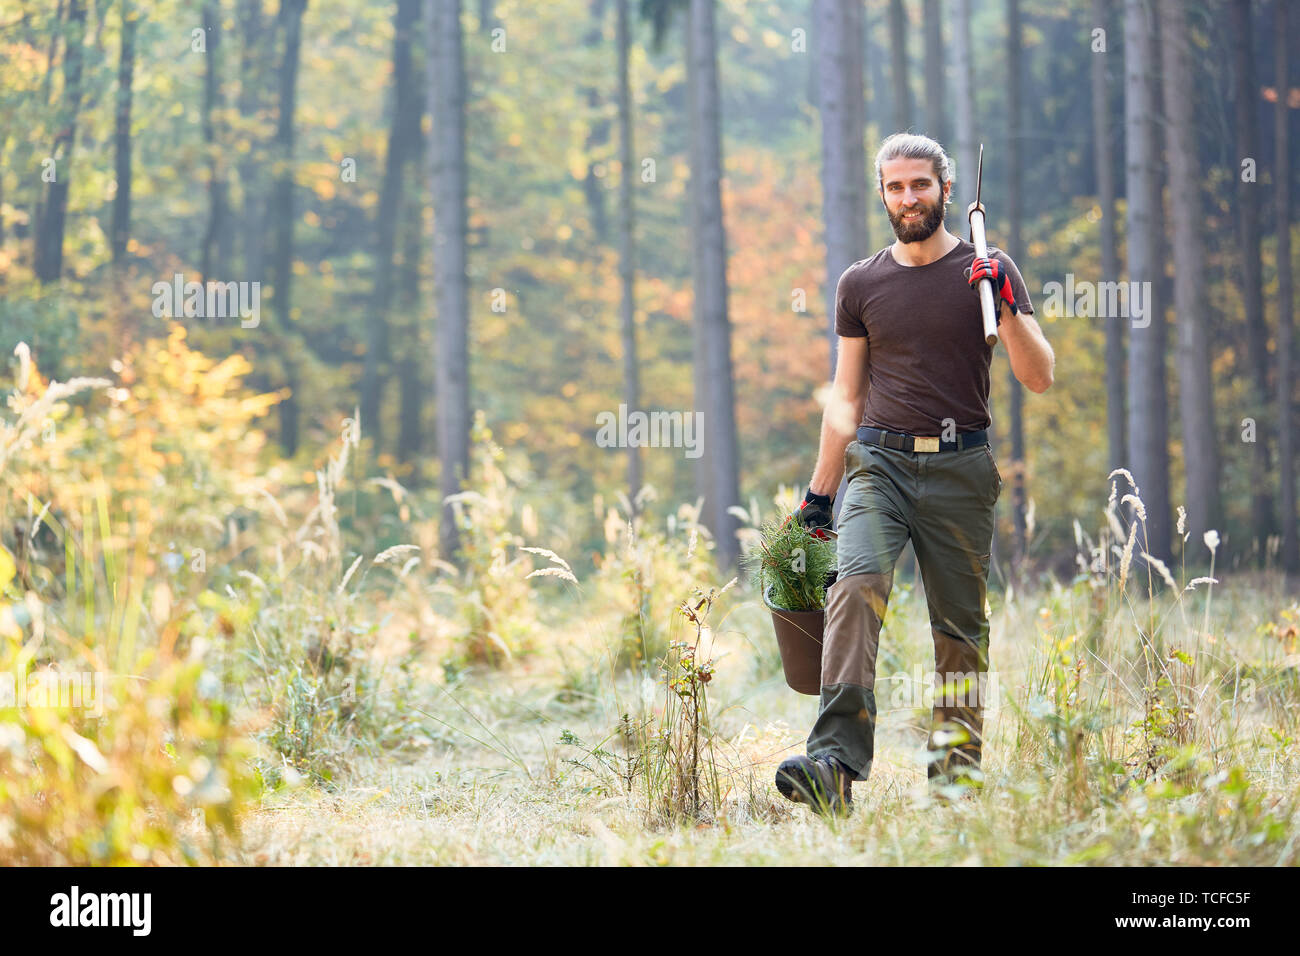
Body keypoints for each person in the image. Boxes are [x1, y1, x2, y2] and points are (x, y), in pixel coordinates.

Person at [775, 133, 1055, 815]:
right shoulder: (861, 283)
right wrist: (819, 492)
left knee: (959, 631)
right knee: (856, 584)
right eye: (895, 187)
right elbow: (845, 397)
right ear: (882, 194)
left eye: (920, 186)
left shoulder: (989, 268)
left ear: (947, 192)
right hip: (880, 464)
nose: (908, 198)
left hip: (962, 468)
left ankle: (956, 782)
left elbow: (1039, 376)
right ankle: (835, 762)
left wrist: (1007, 303)